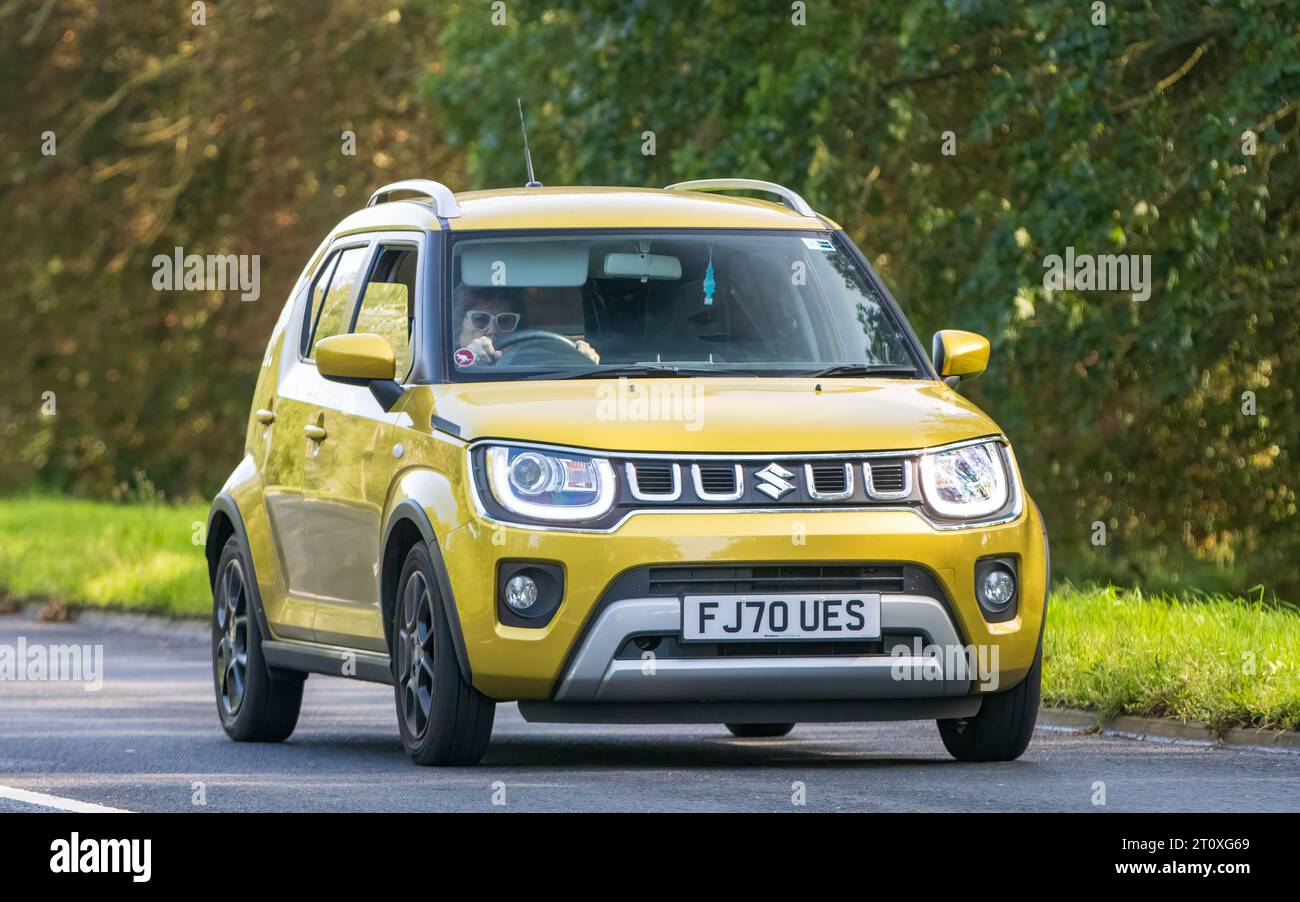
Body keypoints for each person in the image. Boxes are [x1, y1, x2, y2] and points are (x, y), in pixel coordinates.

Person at [454, 285, 599, 366]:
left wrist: (583, 358)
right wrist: (468, 362)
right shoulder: (439, 363)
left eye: (505, 320)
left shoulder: (531, 361)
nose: (492, 330)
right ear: (460, 322)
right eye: (480, 319)